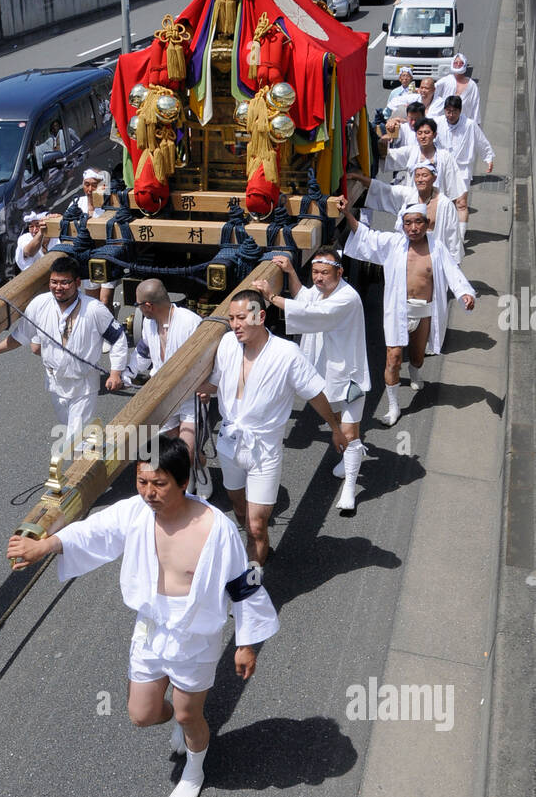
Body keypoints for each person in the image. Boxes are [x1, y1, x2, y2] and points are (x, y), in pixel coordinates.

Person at [7, 440, 280, 797]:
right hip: (151, 628)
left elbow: (242, 584)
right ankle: (181, 724)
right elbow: (94, 531)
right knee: (142, 714)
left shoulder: (217, 530)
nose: (149, 493)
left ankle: (195, 768)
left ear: (183, 482)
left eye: (159, 484)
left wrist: (246, 643)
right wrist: (44, 546)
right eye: (142, 481)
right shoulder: (135, 512)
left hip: (195, 636)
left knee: (188, 713)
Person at [198, 288, 347, 564]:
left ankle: (251, 586)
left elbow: (315, 393)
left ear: (261, 315)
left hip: (263, 452)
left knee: (257, 525)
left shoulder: (287, 353)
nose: (235, 325)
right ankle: (254, 545)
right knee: (239, 510)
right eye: (231, 318)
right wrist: (197, 390)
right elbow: (218, 382)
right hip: (229, 444)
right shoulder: (228, 344)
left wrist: (335, 427)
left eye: (241, 318)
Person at [338, 198, 476, 426]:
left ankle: (414, 370)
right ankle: (394, 407)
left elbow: (453, 273)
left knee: (418, 357)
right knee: (392, 359)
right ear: (402, 225)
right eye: (408, 223)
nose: (413, 228)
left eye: (418, 222)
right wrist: (347, 214)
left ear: (427, 223)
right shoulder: (393, 244)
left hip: (424, 311)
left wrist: (464, 294)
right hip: (397, 310)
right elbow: (366, 236)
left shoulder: (437, 247)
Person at [255, 247, 371, 516]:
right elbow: (304, 298)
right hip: (328, 373)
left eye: (325, 273)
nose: (318, 278)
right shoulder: (321, 290)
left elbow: (311, 314)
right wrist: (291, 272)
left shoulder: (347, 298)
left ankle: (350, 488)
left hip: (350, 374)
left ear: (339, 272)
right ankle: (350, 457)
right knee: (342, 422)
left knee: (350, 432)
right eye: (315, 272)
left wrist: (271, 297)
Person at [0, 256, 127, 453]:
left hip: (83, 383)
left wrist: (116, 372)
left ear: (77, 283)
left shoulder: (94, 309)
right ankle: (96, 449)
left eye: (65, 282)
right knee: (71, 431)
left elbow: (118, 339)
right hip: (55, 381)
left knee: (75, 442)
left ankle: (80, 479)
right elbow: (21, 335)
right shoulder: (39, 304)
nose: (58, 287)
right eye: (54, 282)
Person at [122, 279, 202, 462]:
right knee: (177, 449)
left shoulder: (191, 323)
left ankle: (201, 472)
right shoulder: (149, 324)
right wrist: (127, 376)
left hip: (189, 396)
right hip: (163, 396)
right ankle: (187, 483)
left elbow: (205, 360)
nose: (139, 309)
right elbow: (143, 352)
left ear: (148, 306)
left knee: (188, 452)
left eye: (138, 305)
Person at [359, 161, 464, 266]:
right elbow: (385, 190)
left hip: (434, 260)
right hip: (409, 256)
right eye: (417, 176)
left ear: (434, 178)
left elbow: (453, 237)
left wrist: (455, 267)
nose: (420, 179)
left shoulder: (445, 205)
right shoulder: (409, 196)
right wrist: (359, 178)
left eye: (424, 175)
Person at [384, 116, 468, 218]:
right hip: (414, 208)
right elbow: (387, 156)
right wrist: (385, 137)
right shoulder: (411, 152)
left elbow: (455, 191)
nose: (423, 136)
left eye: (427, 133)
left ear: (435, 135)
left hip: (437, 209)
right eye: (419, 133)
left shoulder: (445, 156)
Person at [71, 167, 116, 313]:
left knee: (104, 301)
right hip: (86, 258)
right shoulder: (76, 204)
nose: (90, 189)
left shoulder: (110, 204)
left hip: (106, 256)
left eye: (94, 185)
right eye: (86, 184)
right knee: (92, 303)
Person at [434, 54, 482, 124]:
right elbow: (432, 90)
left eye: (461, 63)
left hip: (463, 124)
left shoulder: (472, 85)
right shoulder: (446, 80)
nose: (458, 64)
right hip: (446, 122)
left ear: (465, 64)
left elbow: (475, 105)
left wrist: (476, 124)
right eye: (456, 63)